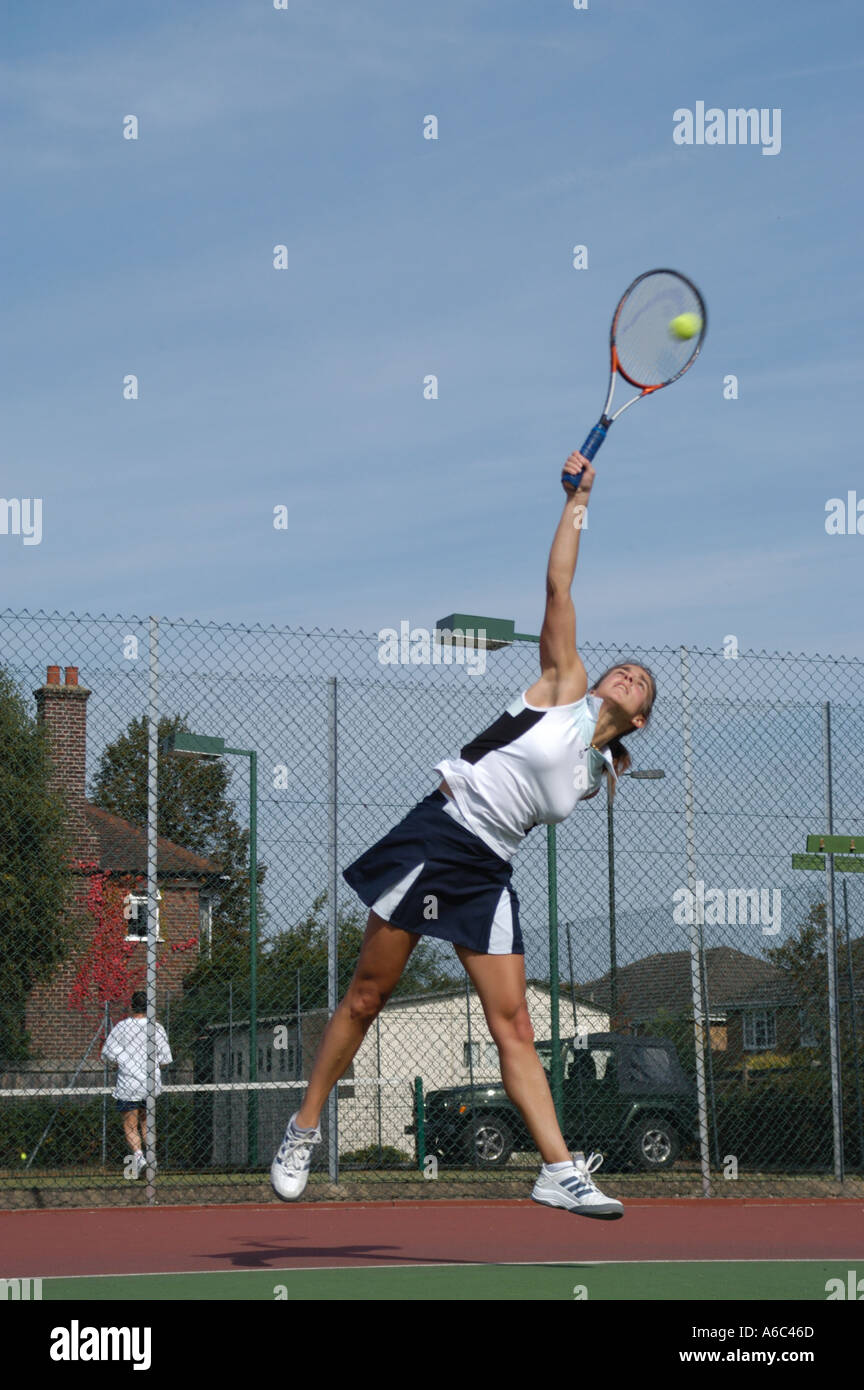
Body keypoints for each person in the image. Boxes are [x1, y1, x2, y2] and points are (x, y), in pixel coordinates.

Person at [270, 451, 656, 1217]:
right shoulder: (563, 688)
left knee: (512, 1019)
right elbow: (559, 584)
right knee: (368, 996)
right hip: (441, 834)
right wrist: (579, 499)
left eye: (640, 682)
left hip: (490, 869)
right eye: (623, 668)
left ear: (639, 717)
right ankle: (303, 1127)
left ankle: (556, 1169)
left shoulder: (593, 772)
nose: (626, 675)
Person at [102, 991, 173, 1178]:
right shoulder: (156, 1028)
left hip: (129, 1083)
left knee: (130, 1124)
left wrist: (122, 1061)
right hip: (150, 1084)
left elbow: (107, 1053)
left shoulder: (122, 1028)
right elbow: (165, 1059)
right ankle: (151, 1158)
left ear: (131, 1006)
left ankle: (140, 1157)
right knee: (147, 1122)